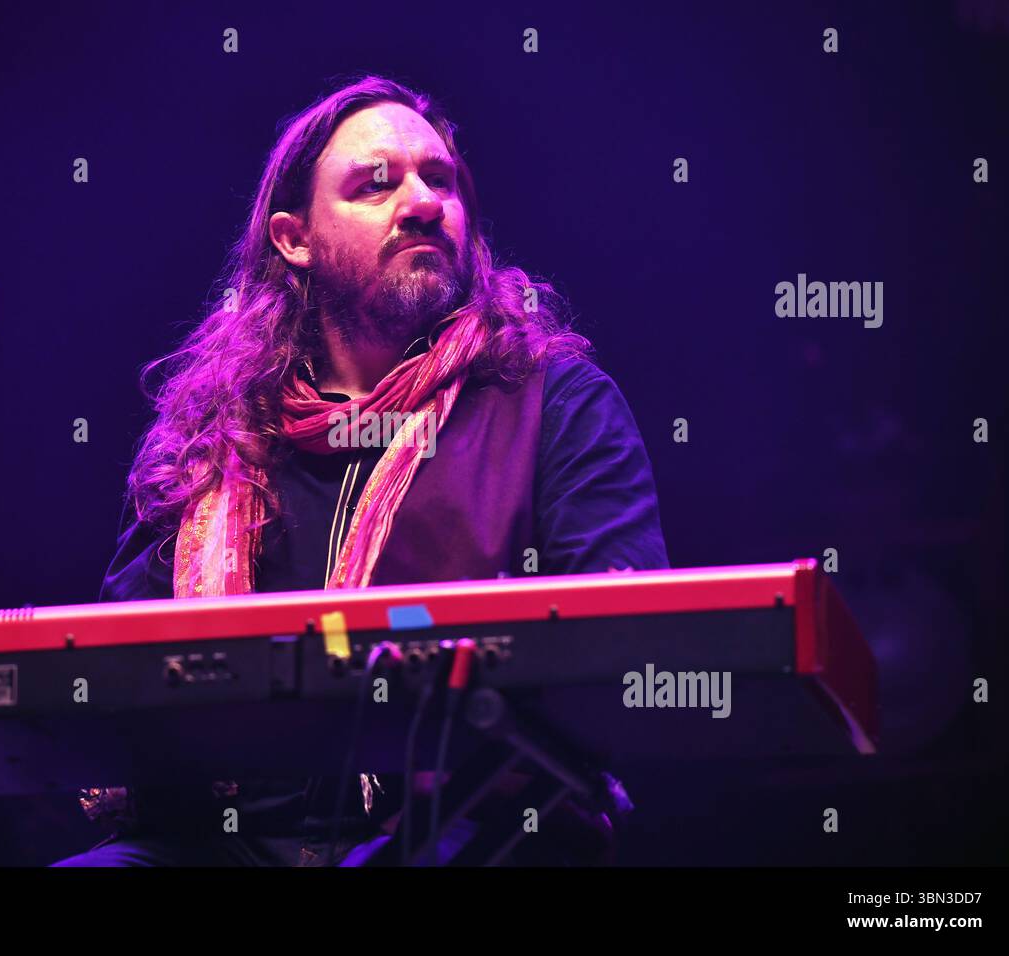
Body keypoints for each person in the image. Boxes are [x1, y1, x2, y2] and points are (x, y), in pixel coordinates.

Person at [53, 74, 668, 867]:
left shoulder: (555, 404)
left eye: (439, 180)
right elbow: (117, 671)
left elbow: (615, 649)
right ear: (293, 239)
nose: (421, 202)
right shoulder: (217, 437)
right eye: (376, 183)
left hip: (470, 831)